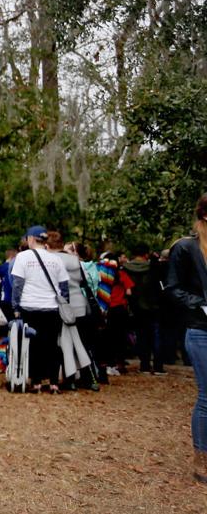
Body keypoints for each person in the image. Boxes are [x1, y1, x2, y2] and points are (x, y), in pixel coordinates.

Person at [163, 193, 207, 484]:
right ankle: (201, 459)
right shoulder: (186, 248)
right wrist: (201, 304)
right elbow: (172, 287)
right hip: (201, 330)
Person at [10, 226, 70, 394]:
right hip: (52, 308)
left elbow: (17, 285)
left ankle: (36, 382)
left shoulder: (22, 258)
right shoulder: (57, 259)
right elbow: (64, 287)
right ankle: (53, 382)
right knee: (52, 345)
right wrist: (63, 304)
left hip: (30, 306)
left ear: (30, 239)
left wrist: (15, 307)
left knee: (33, 345)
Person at [47, 230, 96, 390]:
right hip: (78, 304)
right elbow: (82, 281)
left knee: (63, 343)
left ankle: (70, 379)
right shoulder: (74, 260)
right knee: (81, 342)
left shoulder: (51, 260)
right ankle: (89, 378)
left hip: (61, 306)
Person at [123, 247, 166, 375]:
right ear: (146, 254)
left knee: (142, 336)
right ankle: (158, 366)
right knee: (157, 336)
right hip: (154, 306)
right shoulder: (153, 268)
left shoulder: (126, 269)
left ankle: (144, 365)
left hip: (136, 307)